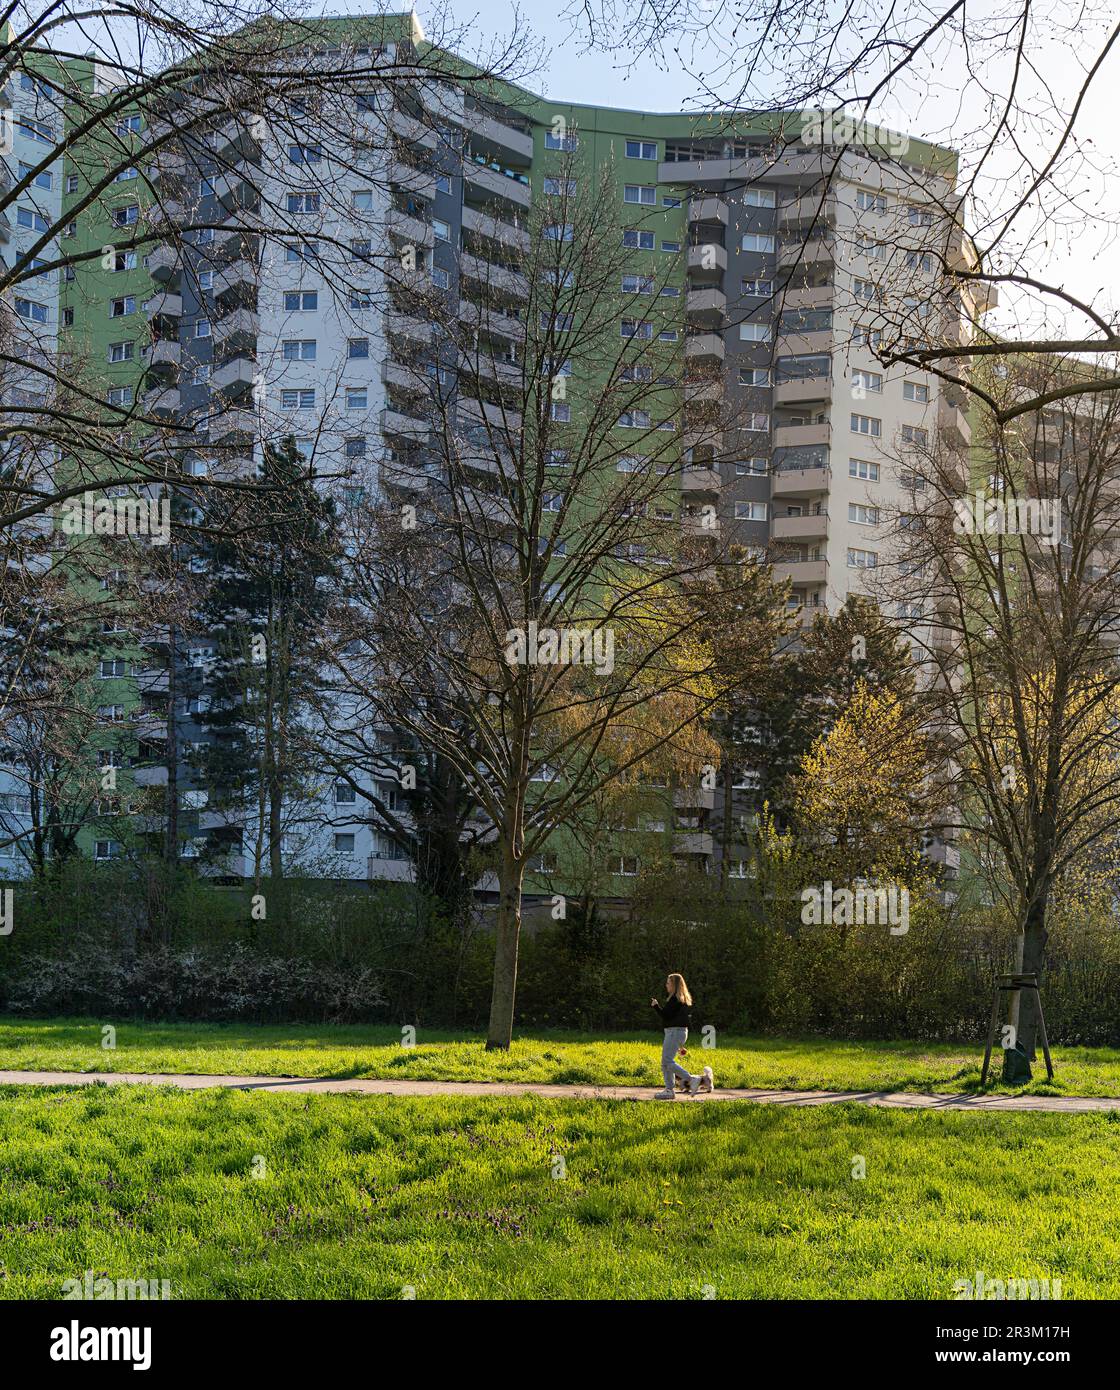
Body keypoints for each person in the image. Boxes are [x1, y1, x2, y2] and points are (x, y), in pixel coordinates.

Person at [650, 973, 714, 1099]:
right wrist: (680, 1043)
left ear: (674, 985)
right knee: (665, 1063)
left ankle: (691, 1079)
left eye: (668, 983)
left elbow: (665, 1016)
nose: (666, 985)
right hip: (676, 1032)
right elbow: (680, 1020)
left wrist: (656, 1006)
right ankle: (669, 1090)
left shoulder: (675, 999)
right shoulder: (680, 999)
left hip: (674, 1032)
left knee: (667, 1061)